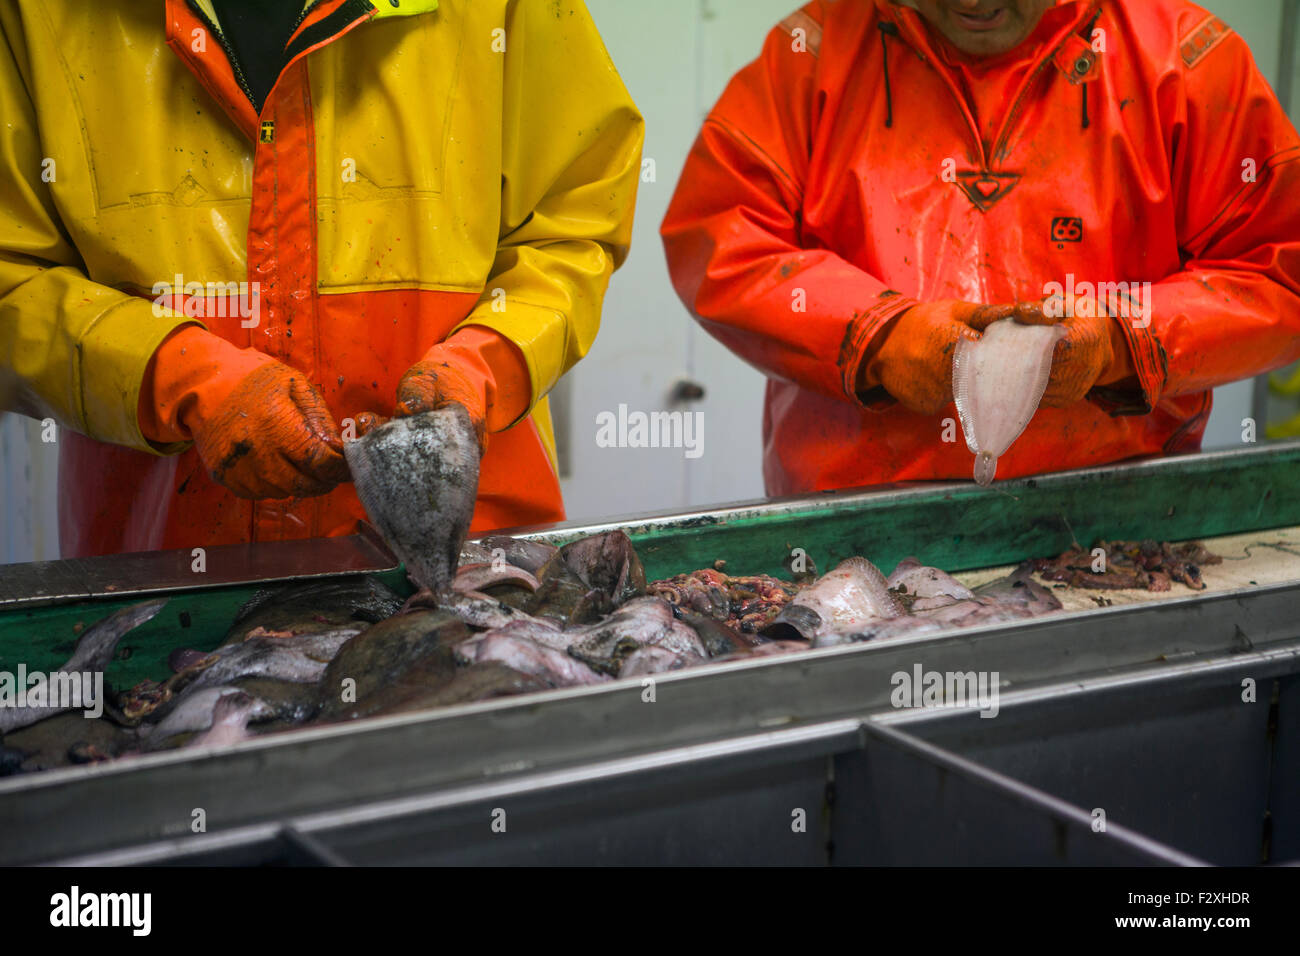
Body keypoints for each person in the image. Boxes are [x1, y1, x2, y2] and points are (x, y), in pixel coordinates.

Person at [0, 0, 643, 557]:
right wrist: (175, 377)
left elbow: (572, 222)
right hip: (167, 575)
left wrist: (487, 365)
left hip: (470, 558)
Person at [662, 0, 1300, 496]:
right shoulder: (811, 54)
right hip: (848, 530)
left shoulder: (1187, 61)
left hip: (1120, 518)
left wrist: (1123, 342)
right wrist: (874, 337)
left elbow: (1280, 272)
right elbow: (721, 239)